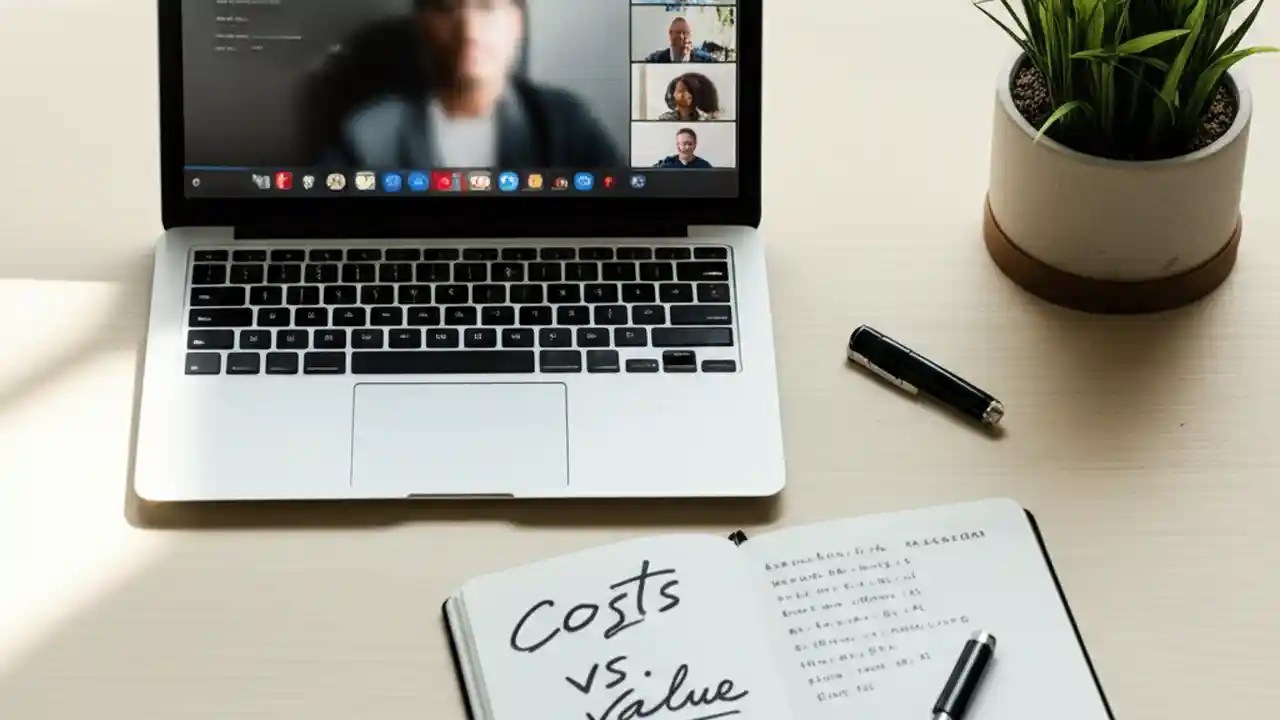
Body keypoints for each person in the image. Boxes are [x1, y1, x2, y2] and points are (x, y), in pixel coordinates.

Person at [329, 0, 623, 169]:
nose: (469, 31)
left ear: (518, 22)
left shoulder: (562, 120)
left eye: (487, 6)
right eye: (447, 8)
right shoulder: (370, 133)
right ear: (420, 23)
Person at [643, 17, 718, 63]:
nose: (681, 37)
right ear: (670, 34)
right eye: (678, 32)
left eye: (685, 33)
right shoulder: (655, 60)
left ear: (690, 35)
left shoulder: (706, 60)